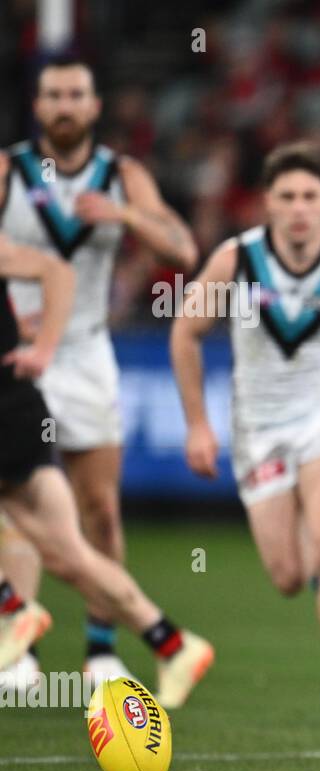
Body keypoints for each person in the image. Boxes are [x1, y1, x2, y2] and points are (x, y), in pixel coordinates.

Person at [171, 142, 320, 721]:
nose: (299, 208)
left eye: (310, 195)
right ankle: (312, 572)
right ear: (267, 203)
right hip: (256, 429)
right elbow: (186, 332)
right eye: (287, 197)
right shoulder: (236, 261)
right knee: (286, 576)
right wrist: (198, 425)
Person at [0, 56, 198, 688]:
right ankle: (21, 646)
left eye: (75, 94)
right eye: (53, 93)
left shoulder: (122, 175)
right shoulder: (7, 169)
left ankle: (101, 646)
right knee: (21, 503)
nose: (64, 104)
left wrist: (129, 217)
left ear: (93, 107)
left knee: (99, 510)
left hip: (85, 353)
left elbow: (183, 249)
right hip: (18, 355)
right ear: (38, 106)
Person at [0, 233, 211, 708]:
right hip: (19, 406)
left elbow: (57, 272)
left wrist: (45, 346)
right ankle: (172, 645)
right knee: (67, 553)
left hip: (8, 408)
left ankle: (11, 609)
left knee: (71, 541)